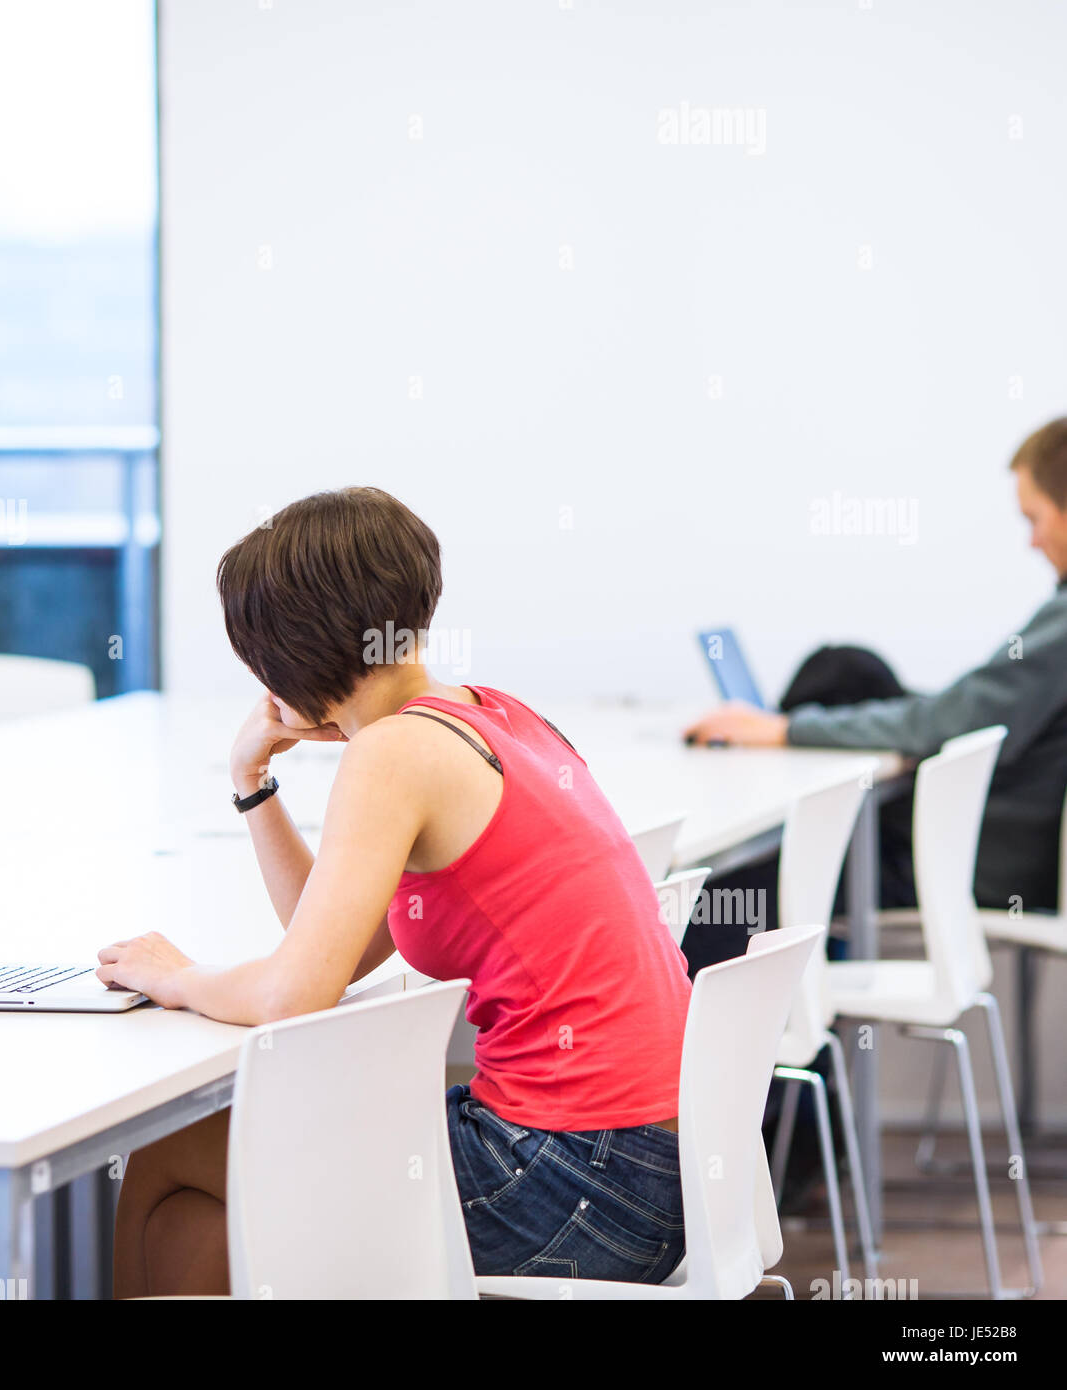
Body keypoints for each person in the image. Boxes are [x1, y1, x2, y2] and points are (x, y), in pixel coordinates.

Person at [98, 487, 692, 1297]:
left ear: (286, 656)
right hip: (657, 1170)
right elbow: (333, 949)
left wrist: (174, 976)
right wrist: (254, 782)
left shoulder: (392, 754)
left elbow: (295, 993)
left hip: (572, 1181)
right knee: (195, 1222)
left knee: (171, 1152)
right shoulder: (491, 715)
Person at [684, 416, 1067, 954]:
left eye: (1034, 518)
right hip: (968, 847)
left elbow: (950, 721)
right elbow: (969, 708)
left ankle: (806, 1035)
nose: (1031, 541)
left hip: (959, 864)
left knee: (723, 899)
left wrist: (789, 730)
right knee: (848, 669)